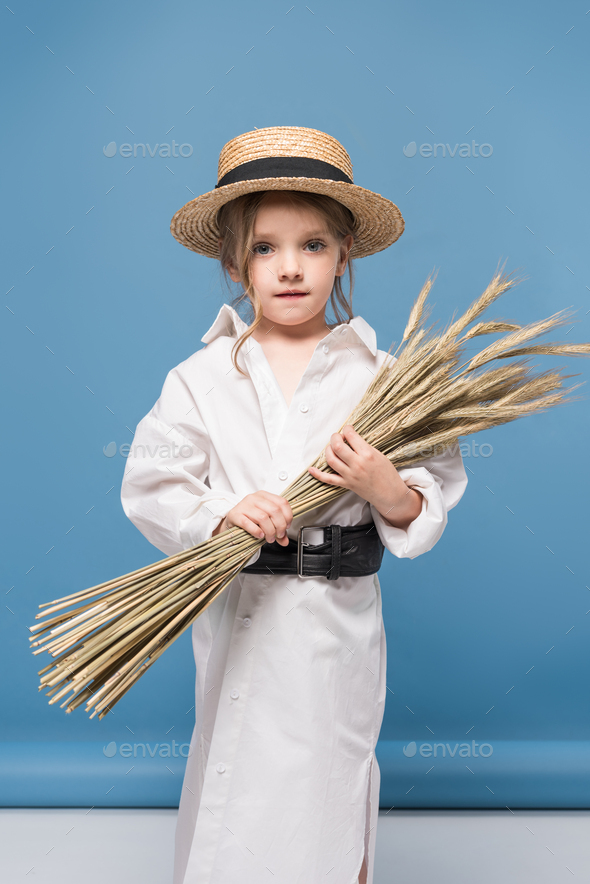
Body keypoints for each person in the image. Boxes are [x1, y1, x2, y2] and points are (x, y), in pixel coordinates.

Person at [120, 126, 468, 884]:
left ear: (345, 252)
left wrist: (389, 492)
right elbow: (152, 481)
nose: (289, 268)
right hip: (241, 611)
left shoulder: (381, 377)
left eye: (312, 246)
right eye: (265, 248)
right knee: (237, 787)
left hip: (336, 625)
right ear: (233, 262)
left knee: (331, 786)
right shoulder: (201, 376)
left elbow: (428, 495)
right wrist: (220, 514)